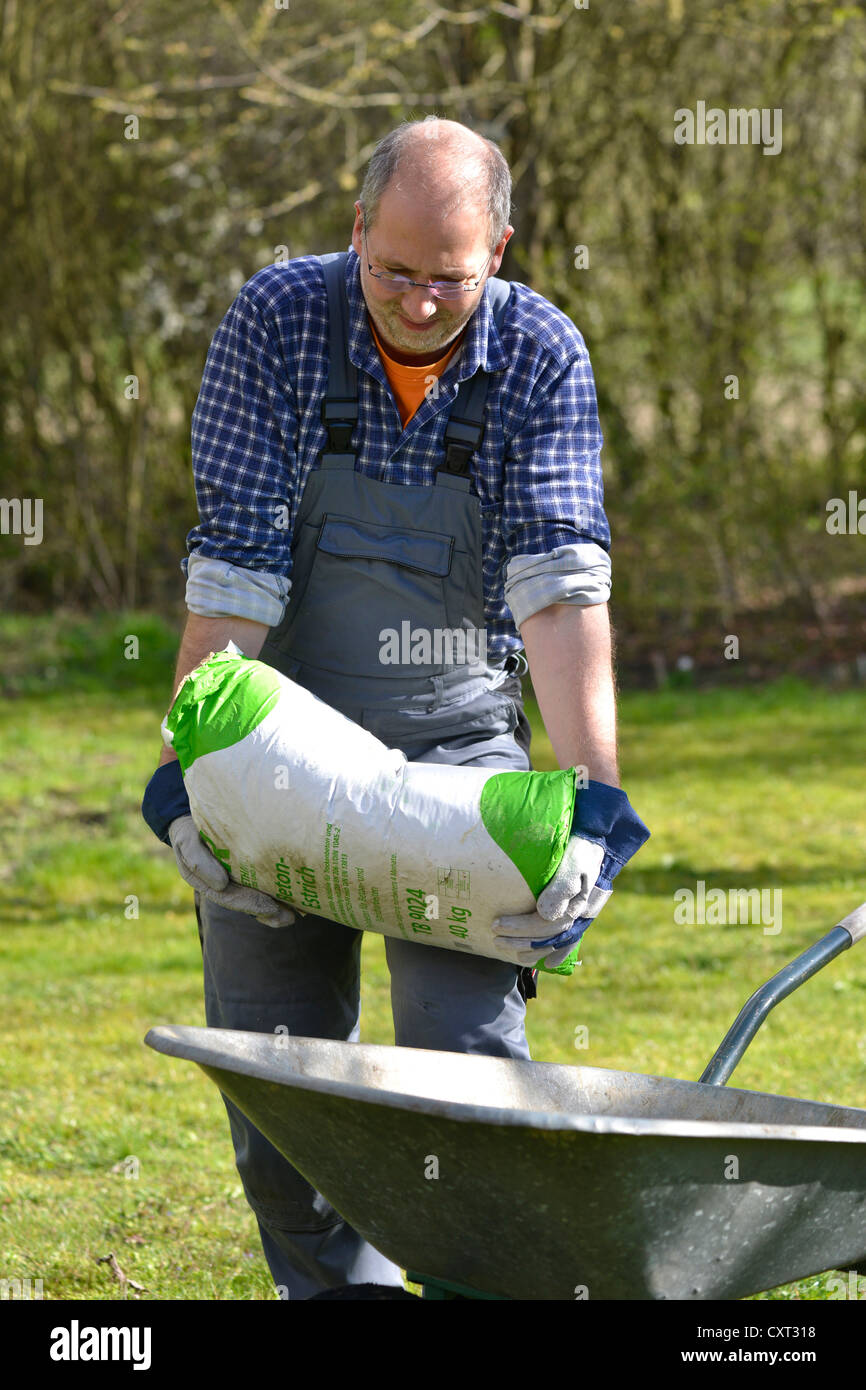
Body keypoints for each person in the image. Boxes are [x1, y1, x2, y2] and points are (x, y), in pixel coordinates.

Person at [142, 118, 649, 1298]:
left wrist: (592, 798)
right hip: (280, 737)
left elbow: (559, 589)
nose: (420, 303)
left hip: (458, 744)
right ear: (355, 227)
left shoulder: (538, 353)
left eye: (451, 279)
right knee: (284, 1089)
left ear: (501, 250)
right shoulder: (275, 323)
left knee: (462, 1057)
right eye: (395, 270)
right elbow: (231, 573)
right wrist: (188, 774)